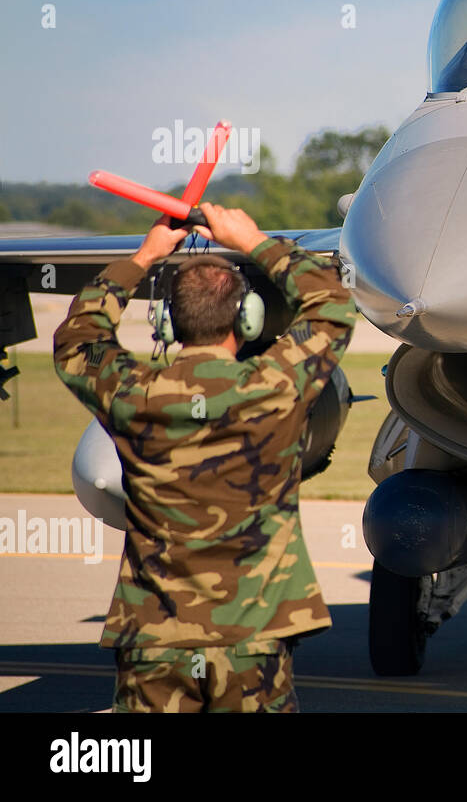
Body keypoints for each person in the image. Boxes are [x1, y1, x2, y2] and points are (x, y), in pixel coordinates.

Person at [52, 203, 357, 711]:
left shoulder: (134, 394)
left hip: (153, 639)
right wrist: (252, 239)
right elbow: (332, 304)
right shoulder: (272, 388)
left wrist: (145, 255)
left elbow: (77, 339)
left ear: (171, 321)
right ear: (243, 319)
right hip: (252, 637)